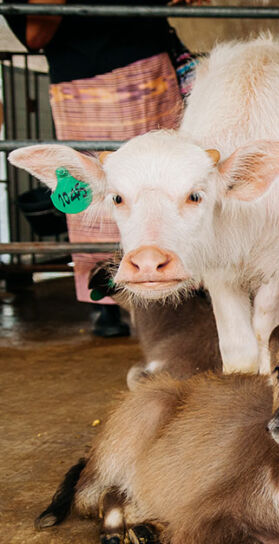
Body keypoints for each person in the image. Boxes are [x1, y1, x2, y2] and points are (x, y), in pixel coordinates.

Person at [4, 0, 196, 336]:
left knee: (159, 180)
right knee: (89, 187)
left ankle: (174, 290)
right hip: (83, 79)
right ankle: (106, 296)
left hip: (141, 66)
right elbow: (35, 34)